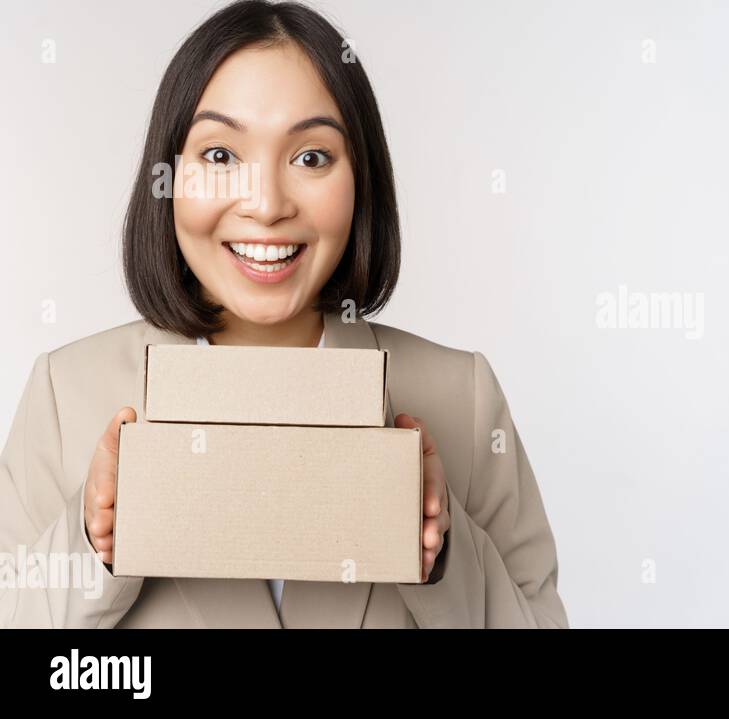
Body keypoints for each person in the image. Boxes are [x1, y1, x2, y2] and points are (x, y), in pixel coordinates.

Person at [0, 0, 567, 628]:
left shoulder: (463, 397)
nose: (266, 205)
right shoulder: (65, 395)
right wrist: (92, 545)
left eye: (311, 157)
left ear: (361, 181)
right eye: (220, 156)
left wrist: (443, 552)